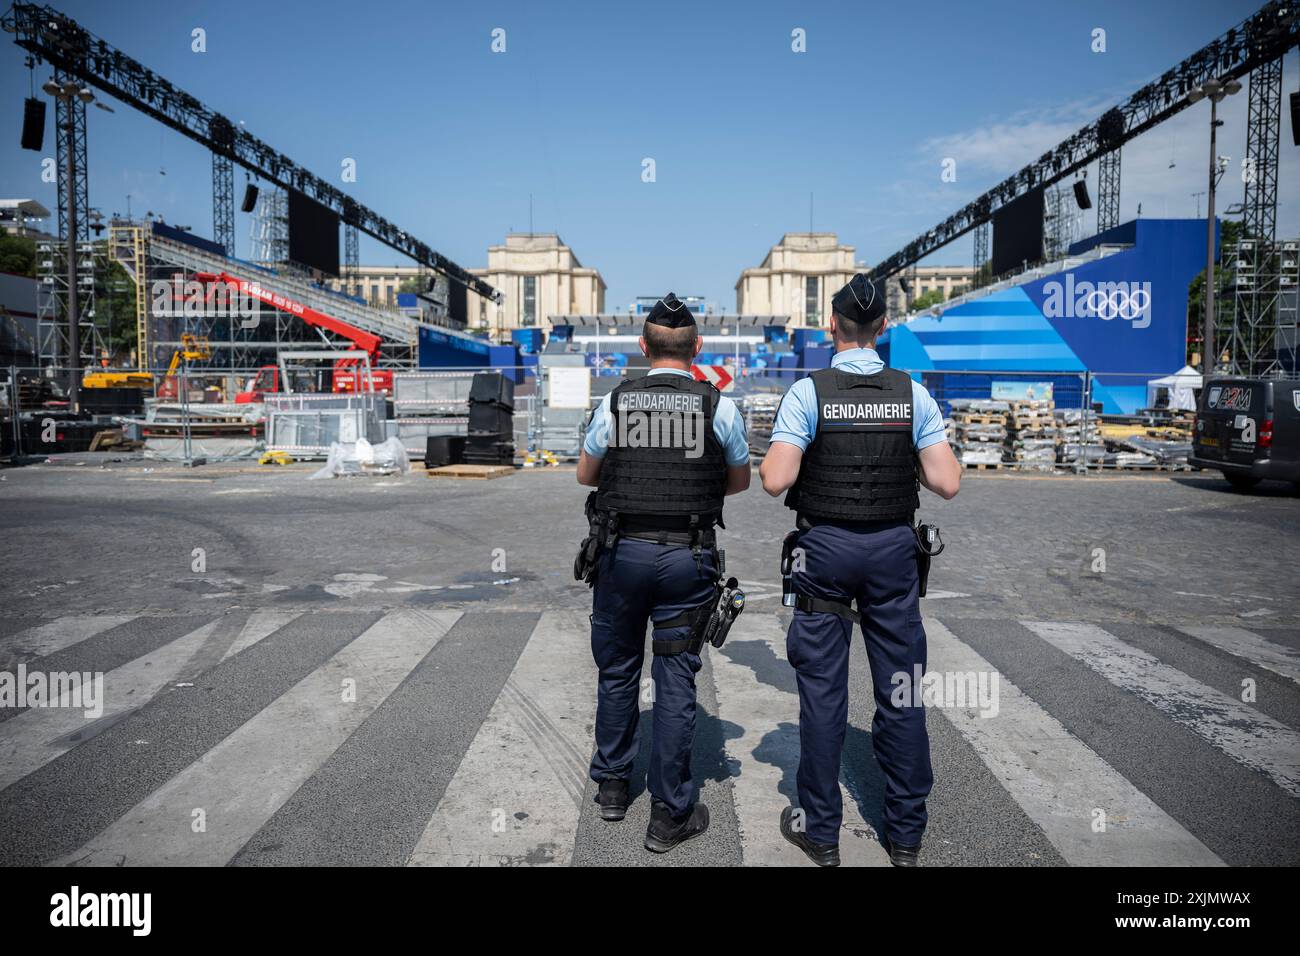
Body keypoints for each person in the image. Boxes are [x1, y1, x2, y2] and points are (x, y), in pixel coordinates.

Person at [759, 273, 961, 867]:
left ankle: (820, 833)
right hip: (893, 555)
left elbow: (775, 480)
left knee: (822, 696)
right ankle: (905, 836)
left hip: (825, 553)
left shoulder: (808, 392)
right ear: (883, 330)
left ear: (831, 328)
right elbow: (946, 482)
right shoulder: (912, 392)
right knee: (900, 692)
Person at [576, 292, 751, 853]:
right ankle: (670, 814)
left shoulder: (616, 401)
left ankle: (611, 785)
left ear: (642, 347)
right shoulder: (717, 406)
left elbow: (586, 476)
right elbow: (740, 481)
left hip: (621, 554)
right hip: (687, 557)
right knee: (677, 679)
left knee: (618, 668)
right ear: (697, 348)